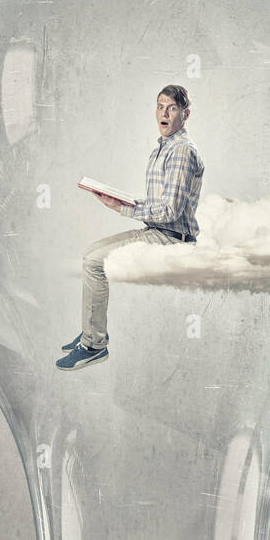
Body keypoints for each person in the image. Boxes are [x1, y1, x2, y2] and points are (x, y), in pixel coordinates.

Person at [56, 85, 204, 371]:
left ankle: (94, 345)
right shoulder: (163, 148)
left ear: (185, 114)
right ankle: (92, 329)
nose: (164, 113)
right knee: (90, 252)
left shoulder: (182, 152)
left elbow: (170, 211)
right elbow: (159, 204)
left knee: (95, 262)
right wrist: (120, 199)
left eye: (171, 108)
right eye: (160, 106)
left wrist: (123, 208)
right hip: (157, 231)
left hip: (173, 239)